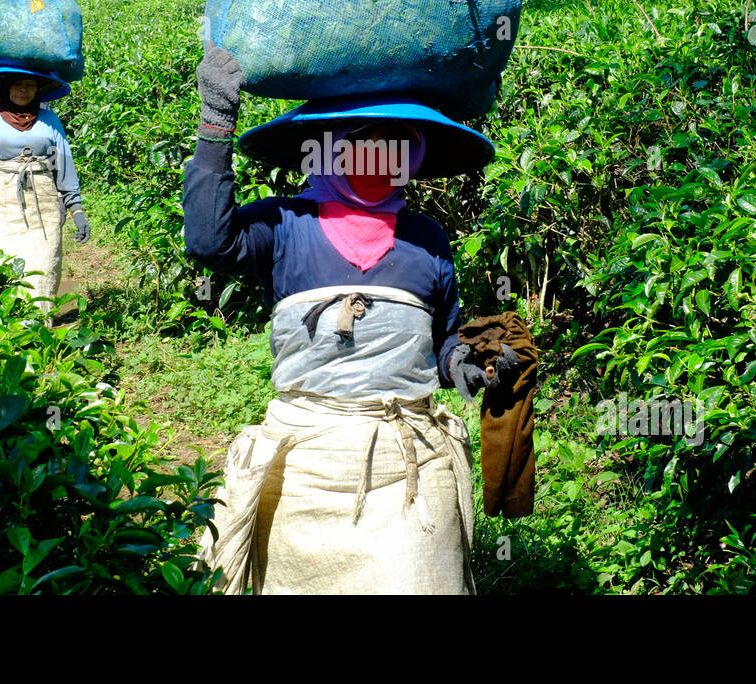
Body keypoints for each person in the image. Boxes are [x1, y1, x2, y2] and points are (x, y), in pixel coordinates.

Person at [184, 44, 518, 594]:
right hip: (307, 465)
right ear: (329, 151)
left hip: (408, 469)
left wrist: (471, 364)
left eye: (394, 147)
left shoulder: (426, 241)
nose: (376, 161)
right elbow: (208, 243)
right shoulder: (285, 223)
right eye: (361, 145)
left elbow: (442, 348)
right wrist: (215, 128)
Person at [0, 68, 91, 317]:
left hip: (44, 204)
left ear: (38, 89)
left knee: (44, 264)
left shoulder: (50, 121)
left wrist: (77, 209)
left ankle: (39, 331)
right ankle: (11, 333)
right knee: (5, 265)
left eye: (29, 85)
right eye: (17, 84)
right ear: (6, 88)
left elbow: (64, 165)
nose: (23, 90)